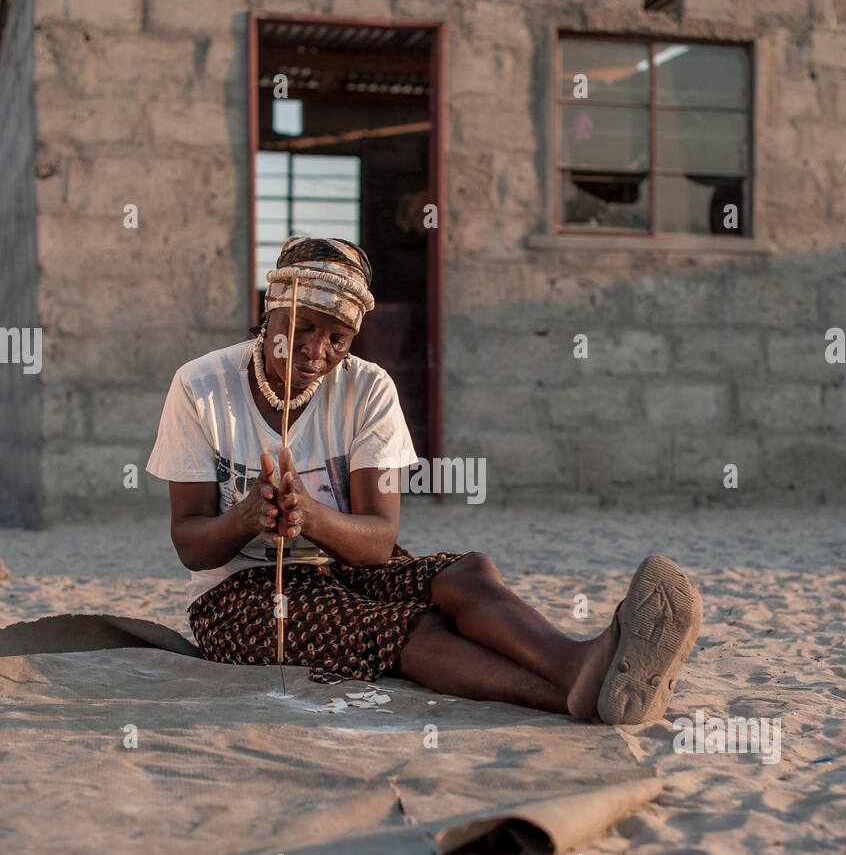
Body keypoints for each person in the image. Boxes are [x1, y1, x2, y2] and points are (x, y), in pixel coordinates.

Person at [147, 235, 702, 723]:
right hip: (238, 599)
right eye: (302, 327)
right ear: (270, 314)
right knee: (402, 628)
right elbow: (190, 545)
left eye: (338, 338)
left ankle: (578, 663)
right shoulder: (201, 386)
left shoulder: (369, 389)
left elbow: (378, 542)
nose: (316, 351)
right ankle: (573, 690)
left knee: (466, 574)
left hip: (343, 568)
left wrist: (309, 517)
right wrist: (246, 518)